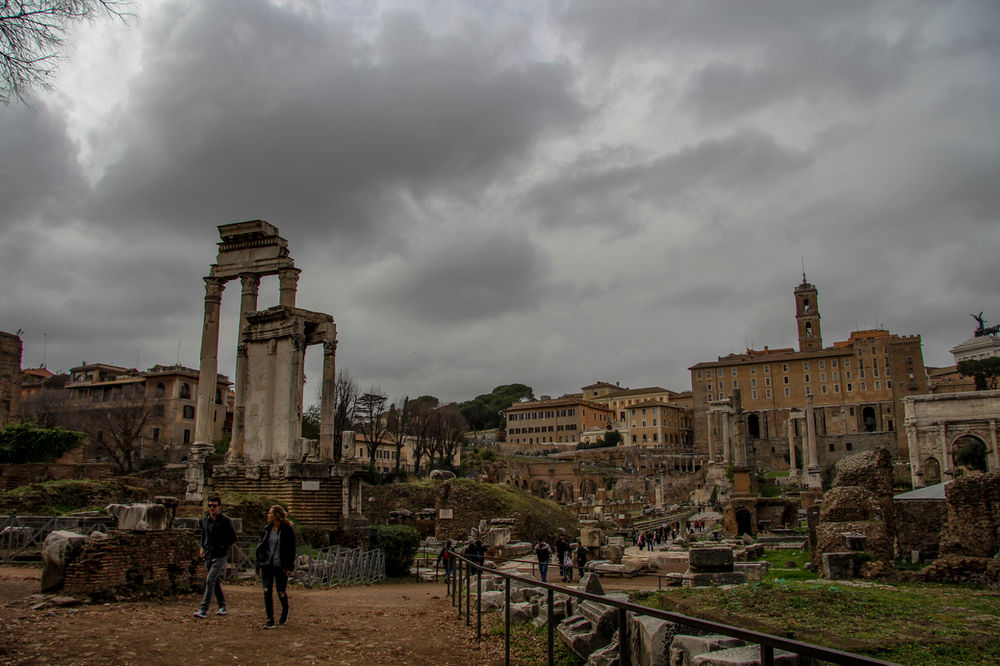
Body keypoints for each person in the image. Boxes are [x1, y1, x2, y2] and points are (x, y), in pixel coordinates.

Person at [193, 494, 237, 619]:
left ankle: (203, 609)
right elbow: (203, 535)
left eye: (214, 506)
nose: (212, 508)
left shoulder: (225, 520)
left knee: (209, 580)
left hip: (220, 556)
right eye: (210, 506)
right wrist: (202, 547)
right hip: (208, 554)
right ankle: (222, 605)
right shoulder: (205, 519)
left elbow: (233, 537)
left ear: (219, 507)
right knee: (215, 581)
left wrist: (223, 546)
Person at [254, 504, 296, 630]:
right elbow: (260, 547)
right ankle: (270, 620)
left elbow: (291, 549)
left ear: (276, 515)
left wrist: (290, 567)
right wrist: (258, 563)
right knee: (267, 591)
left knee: (281, 591)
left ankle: (285, 609)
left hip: (281, 566)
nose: (268, 515)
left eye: (270, 513)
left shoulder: (287, 529)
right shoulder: (267, 529)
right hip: (267, 565)